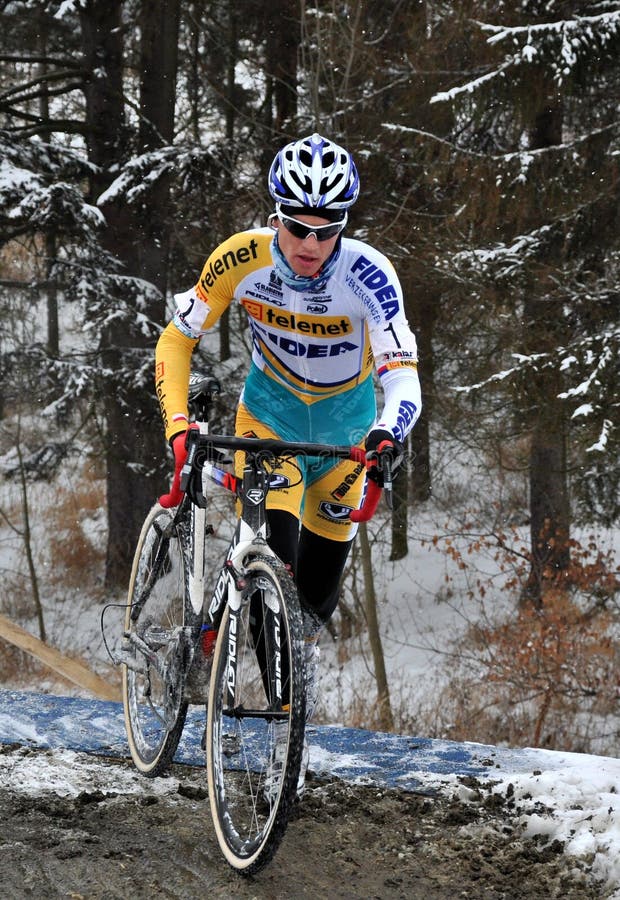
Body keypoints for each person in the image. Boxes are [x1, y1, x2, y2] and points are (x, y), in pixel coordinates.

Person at [155, 132, 421, 796]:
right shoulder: (240, 260)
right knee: (274, 556)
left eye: (327, 229)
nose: (311, 242)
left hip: (345, 440)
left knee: (314, 602)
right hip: (268, 426)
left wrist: (387, 436)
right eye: (298, 226)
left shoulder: (368, 274)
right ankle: (283, 736)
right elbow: (176, 340)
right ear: (276, 216)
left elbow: (403, 377)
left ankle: (287, 691)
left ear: (343, 226)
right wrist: (179, 426)